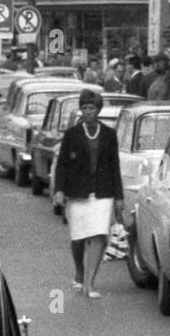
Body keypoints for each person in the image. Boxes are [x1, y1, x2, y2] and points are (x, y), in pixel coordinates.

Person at [53, 88, 125, 298]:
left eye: (91, 108)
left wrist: (119, 197)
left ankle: (89, 283)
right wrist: (59, 190)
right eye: (84, 108)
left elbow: (114, 165)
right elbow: (62, 165)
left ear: (98, 109)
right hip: (78, 192)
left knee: (99, 235)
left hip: (103, 192)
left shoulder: (109, 134)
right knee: (78, 238)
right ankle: (79, 269)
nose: (87, 112)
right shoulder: (72, 134)